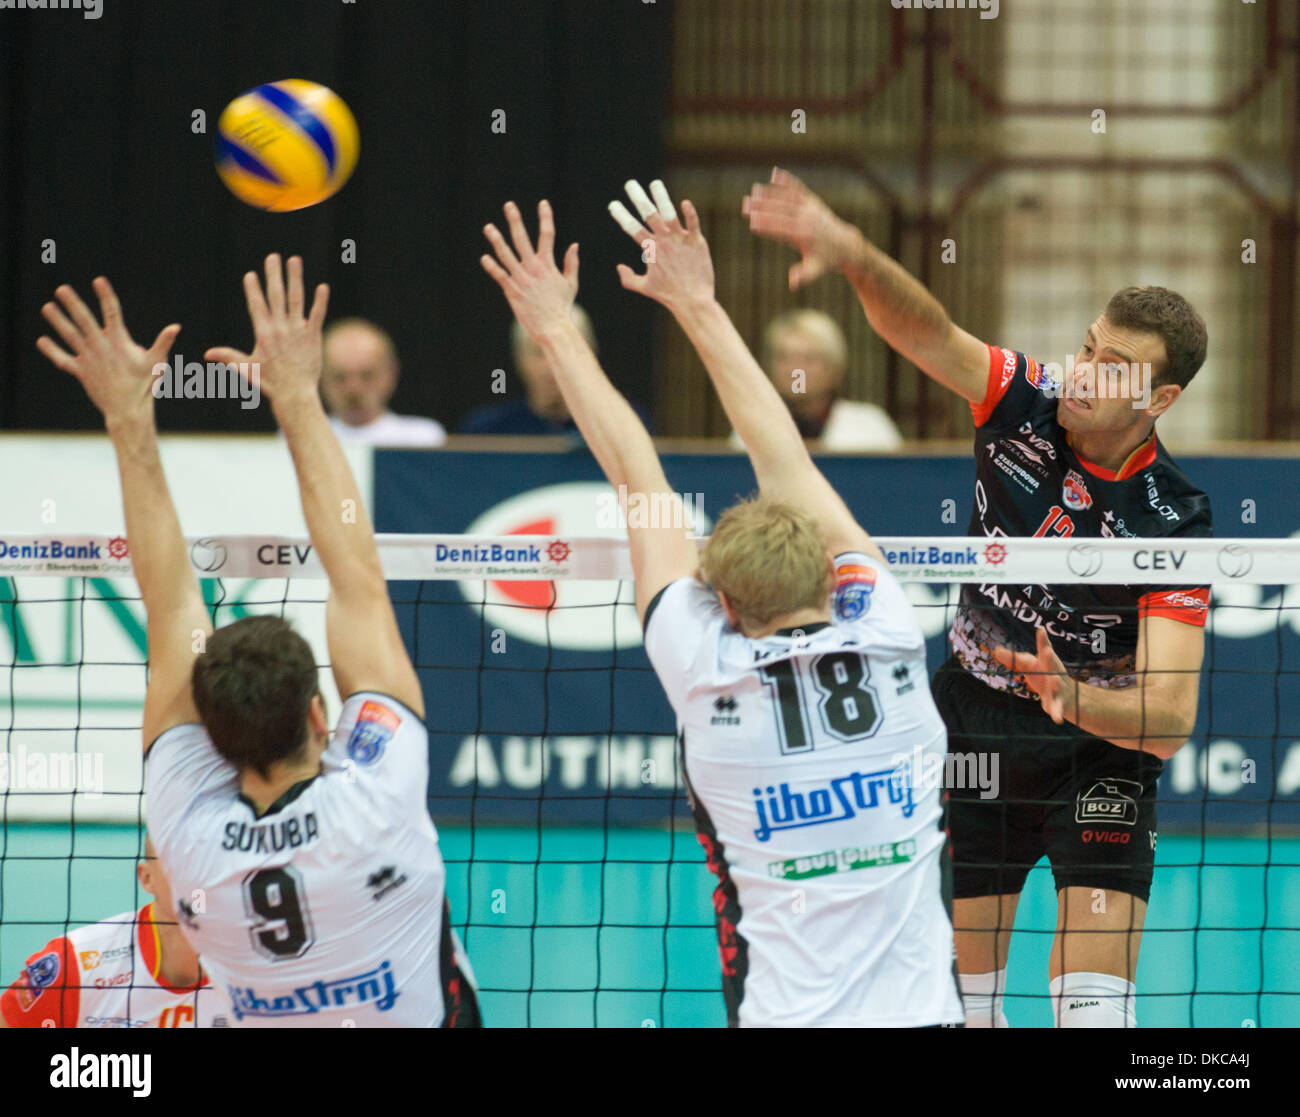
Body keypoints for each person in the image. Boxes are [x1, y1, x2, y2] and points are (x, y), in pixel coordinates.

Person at [480, 186, 963, 1028]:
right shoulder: (889, 630)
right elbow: (788, 464)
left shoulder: (705, 670)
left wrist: (555, 325)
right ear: (829, 578)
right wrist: (698, 302)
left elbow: (639, 478)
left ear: (726, 605)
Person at [743, 167, 1212, 1027]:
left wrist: (1071, 696)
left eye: (1115, 368)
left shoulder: (1172, 517)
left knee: (1096, 1009)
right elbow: (926, 332)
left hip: (1098, 749)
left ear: (1162, 398)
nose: (1084, 371)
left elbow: (1171, 717)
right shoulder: (1022, 400)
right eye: (1087, 346)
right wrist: (852, 256)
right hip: (972, 727)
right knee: (964, 1003)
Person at [35, 261, 478, 1027]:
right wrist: (299, 398)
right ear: (319, 715)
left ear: (215, 736)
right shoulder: (380, 793)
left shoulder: (187, 841)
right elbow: (358, 579)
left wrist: (129, 419)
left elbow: (171, 605)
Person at [0, 837, 220, 1028]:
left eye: (209, 860)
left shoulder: (253, 962)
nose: (195, 875)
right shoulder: (75, 963)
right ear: (147, 878)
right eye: (179, 861)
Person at [459, 304, 652, 436]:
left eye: (563, 352)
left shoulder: (625, 427)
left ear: (591, 356)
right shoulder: (488, 431)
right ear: (519, 358)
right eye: (538, 353)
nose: (551, 366)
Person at [729, 309, 903, 451]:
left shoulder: (869, 425)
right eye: (784, 358)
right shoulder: (751, 428)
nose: (795, 370)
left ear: (834, 368)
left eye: (808, 359)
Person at [321, 317, 446, 446]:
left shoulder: (425, 439)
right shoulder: (304, 441)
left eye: (367, 376)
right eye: (340, 377)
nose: (354, 388)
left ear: (391, 374)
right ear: (321, 377)